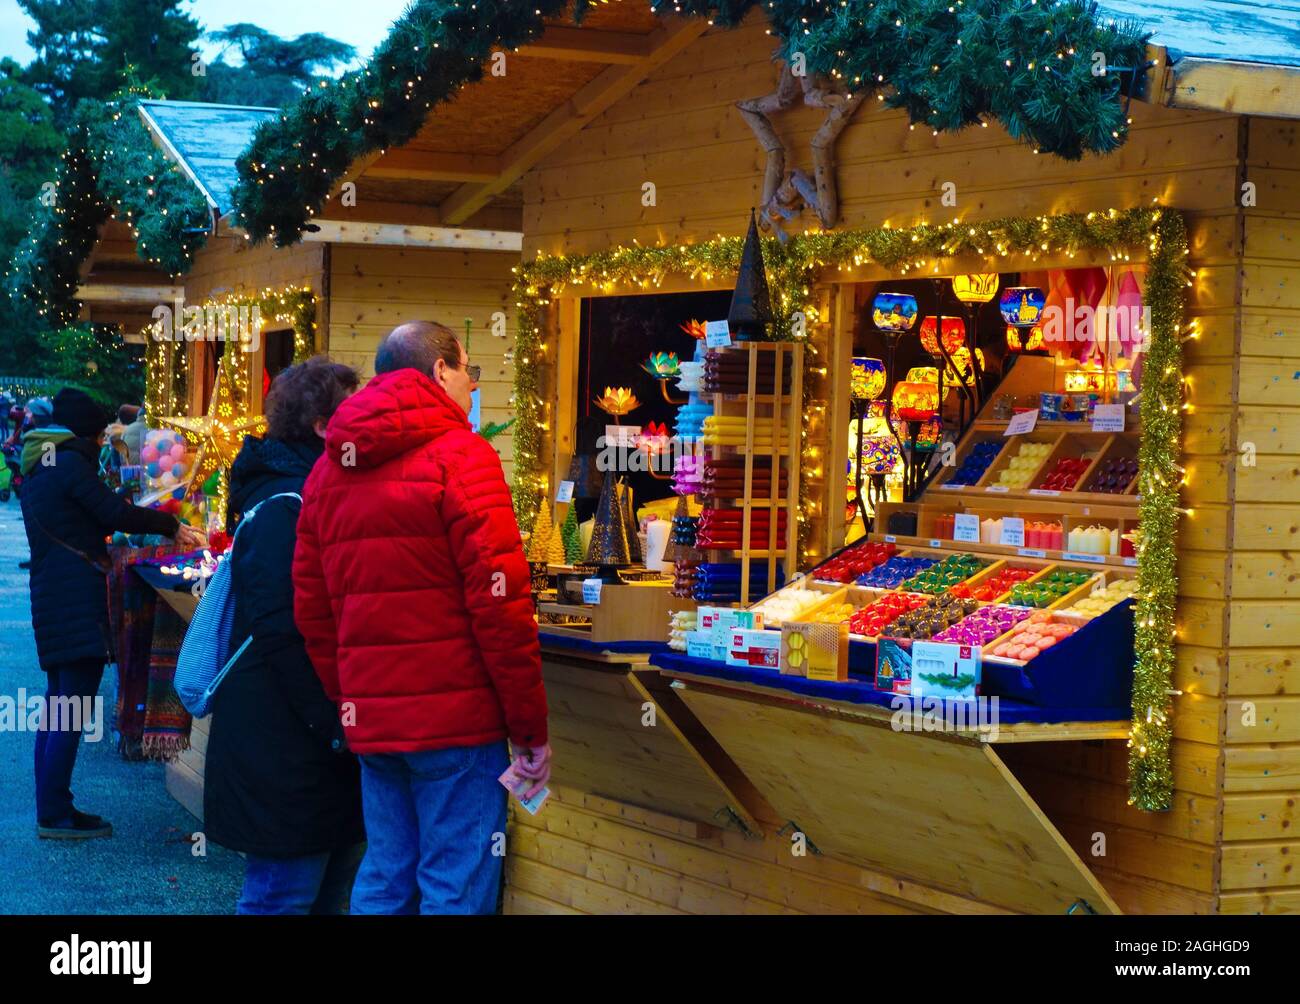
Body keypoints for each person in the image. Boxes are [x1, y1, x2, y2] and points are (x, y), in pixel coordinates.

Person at [293, 321, 550, 915]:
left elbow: (312, 609)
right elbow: (502, 606)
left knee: (385, 875)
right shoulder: (464, 457)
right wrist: (529, 730)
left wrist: (352, 696)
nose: (471, 386)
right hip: (457, 726)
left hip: (374, 721)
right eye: (470, 372)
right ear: (441, 371)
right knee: (454, 888)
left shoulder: (330, 469)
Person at [204, 357, 367, 915]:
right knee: (283, 897)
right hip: (287, 737)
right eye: (355, 409)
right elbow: (283, 626)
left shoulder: (301, 488)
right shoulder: (287, 502)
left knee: (318, 892)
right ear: (324, 426)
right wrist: (333, 722)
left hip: (302, 736)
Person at [21, 388, 204, 839]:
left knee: (58, 704)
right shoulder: (68, 466)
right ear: (85, 431)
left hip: (51, 591)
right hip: (74, 597)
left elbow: (93, 517)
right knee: (71, 705)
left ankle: (53, 805)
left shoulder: (41, 464)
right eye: (100, 433)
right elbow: (111, 512)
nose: (104, 441)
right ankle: (56, 814)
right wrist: (170, 524)